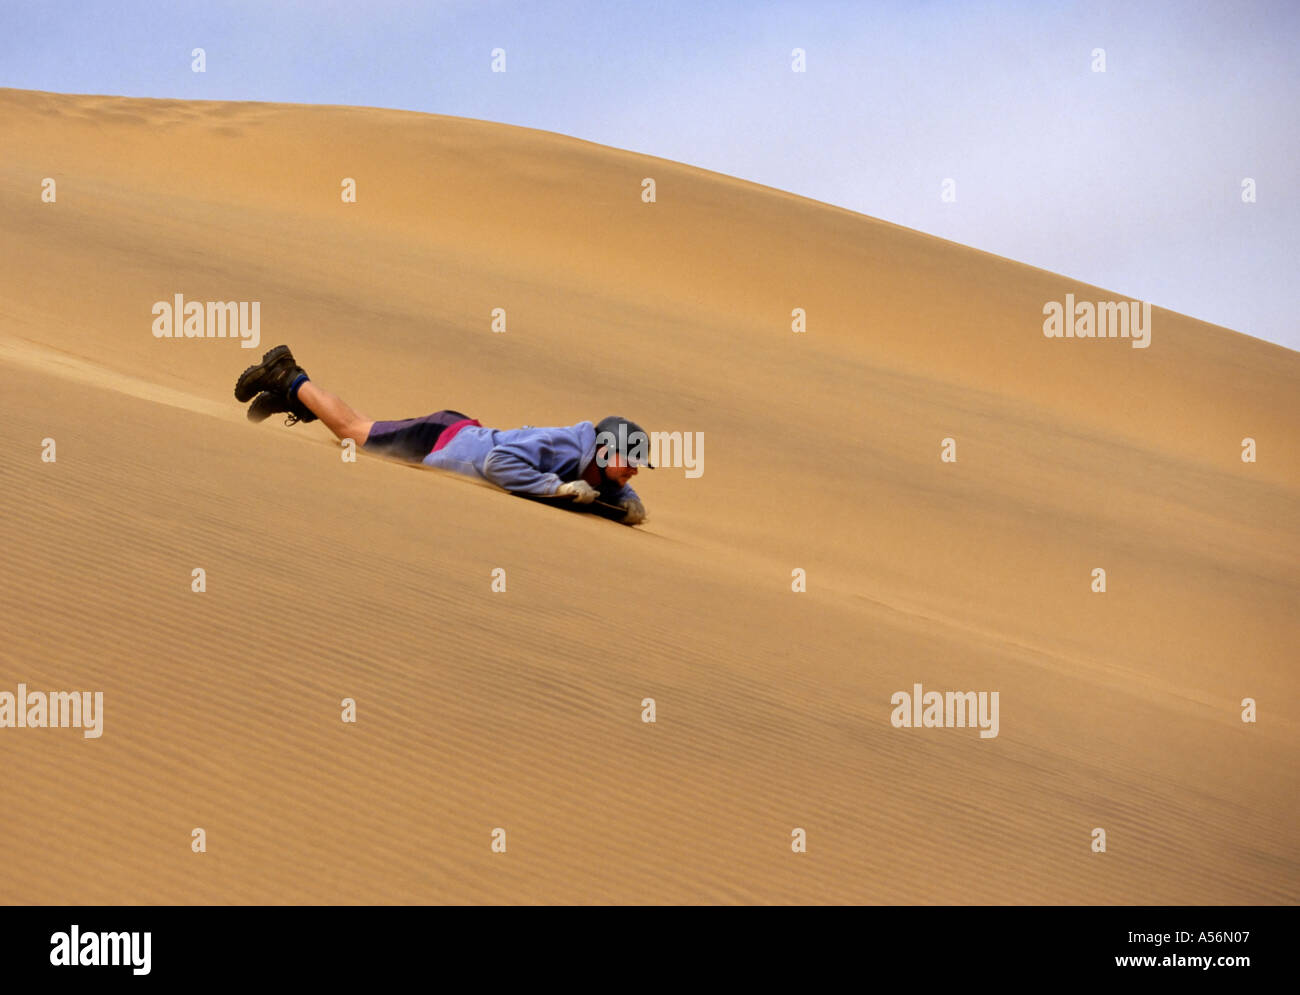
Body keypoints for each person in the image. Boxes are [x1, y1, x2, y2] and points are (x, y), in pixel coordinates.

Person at [234, 345, 649, 525]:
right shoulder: (562, 444)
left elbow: (609, 496)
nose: (633, 472)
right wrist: (555, 488)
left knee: (364, 429)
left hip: (454, 433)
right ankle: (288, 375)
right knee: (353, 432)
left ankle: (305, 402)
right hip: (443, 441)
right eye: (629, 461)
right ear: (604, 450)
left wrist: (629, 506)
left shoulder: (596, 469)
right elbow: (496, 463)